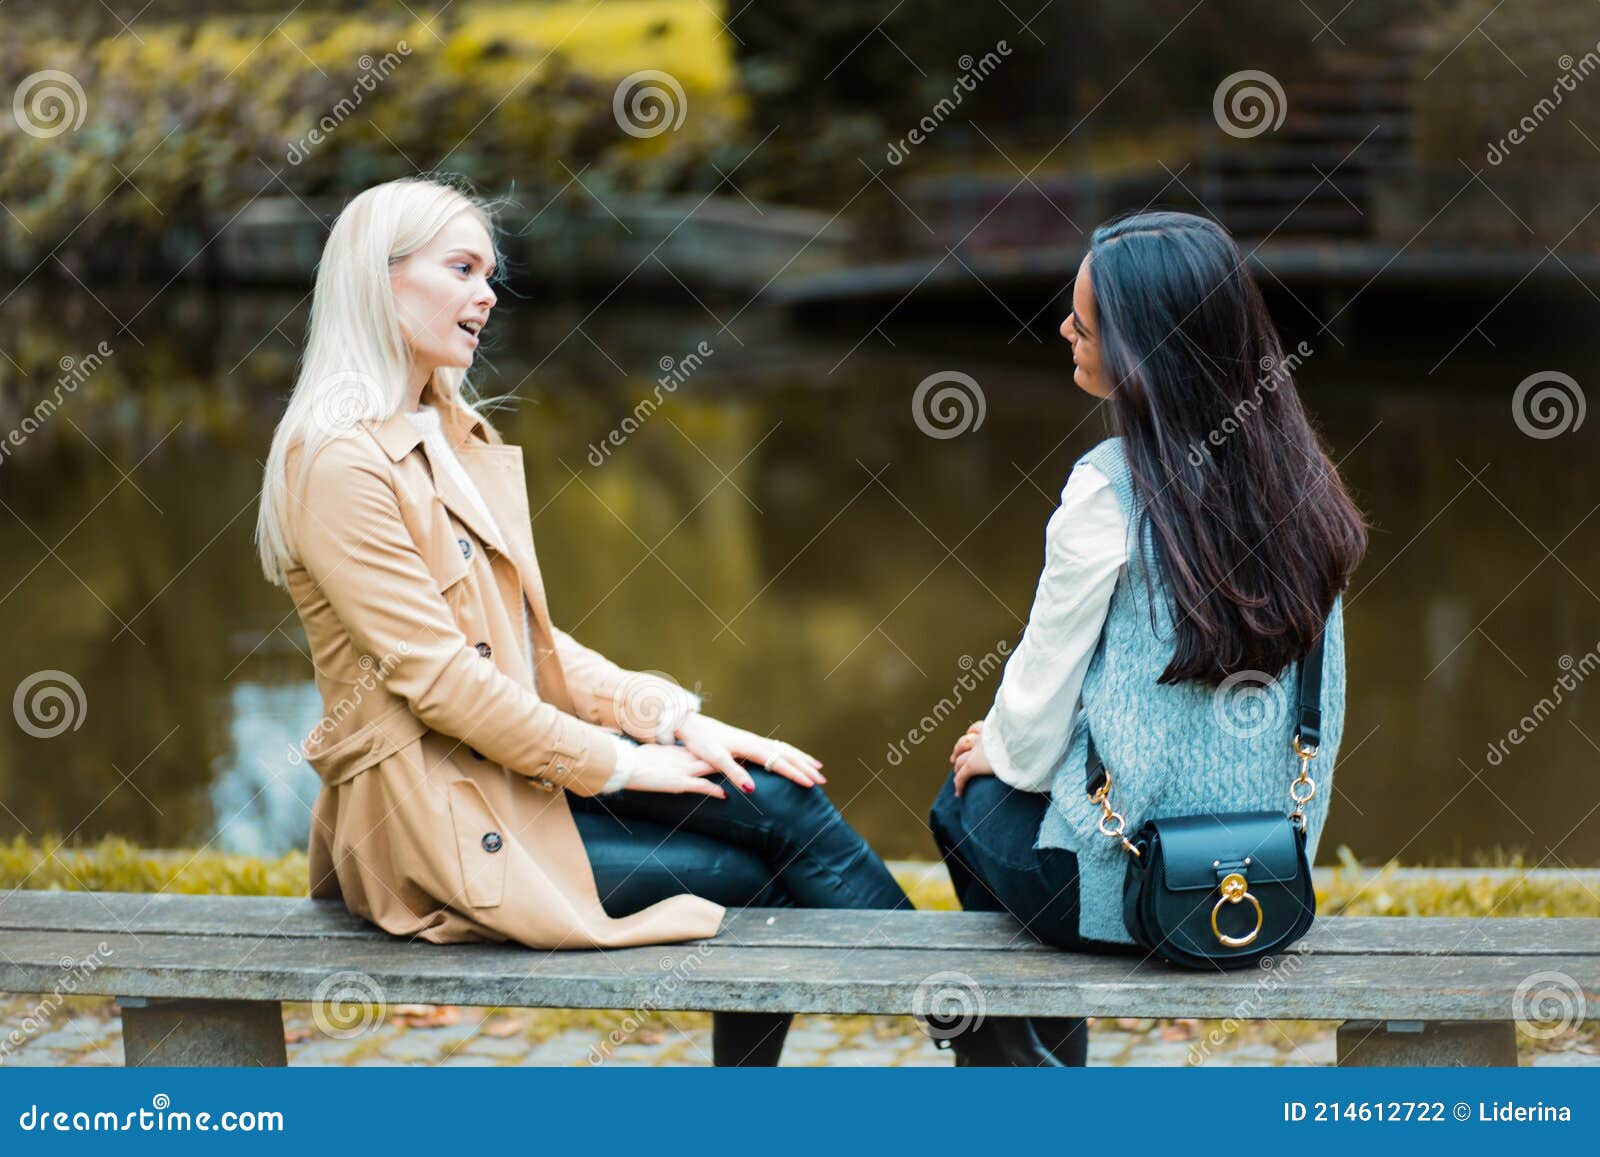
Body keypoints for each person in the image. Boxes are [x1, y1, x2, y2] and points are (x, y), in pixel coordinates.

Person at [253, 176, 911, 1067]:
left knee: (769, 790)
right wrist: (626, 765)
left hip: (510, 782)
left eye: (489, 271)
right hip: (435, 825)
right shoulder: (337, 459)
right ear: (382, 278)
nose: (488, 293)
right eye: (462, 268)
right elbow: (441, 680)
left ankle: (985, 1042)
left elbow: (530, 647)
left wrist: (676, 718)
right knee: (761, 876)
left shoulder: (451, 430)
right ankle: (988, 1045)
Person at [926, 211, 1367, 1066]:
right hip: (1265, 880)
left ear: (1144, 352)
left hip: (1121, 888)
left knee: (963, 799)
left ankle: (1021, 1079)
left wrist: (998, 751)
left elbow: (1033, 716)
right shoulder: (1310, 488)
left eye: (1084, 323)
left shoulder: (1105, 493)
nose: (1064, 331)